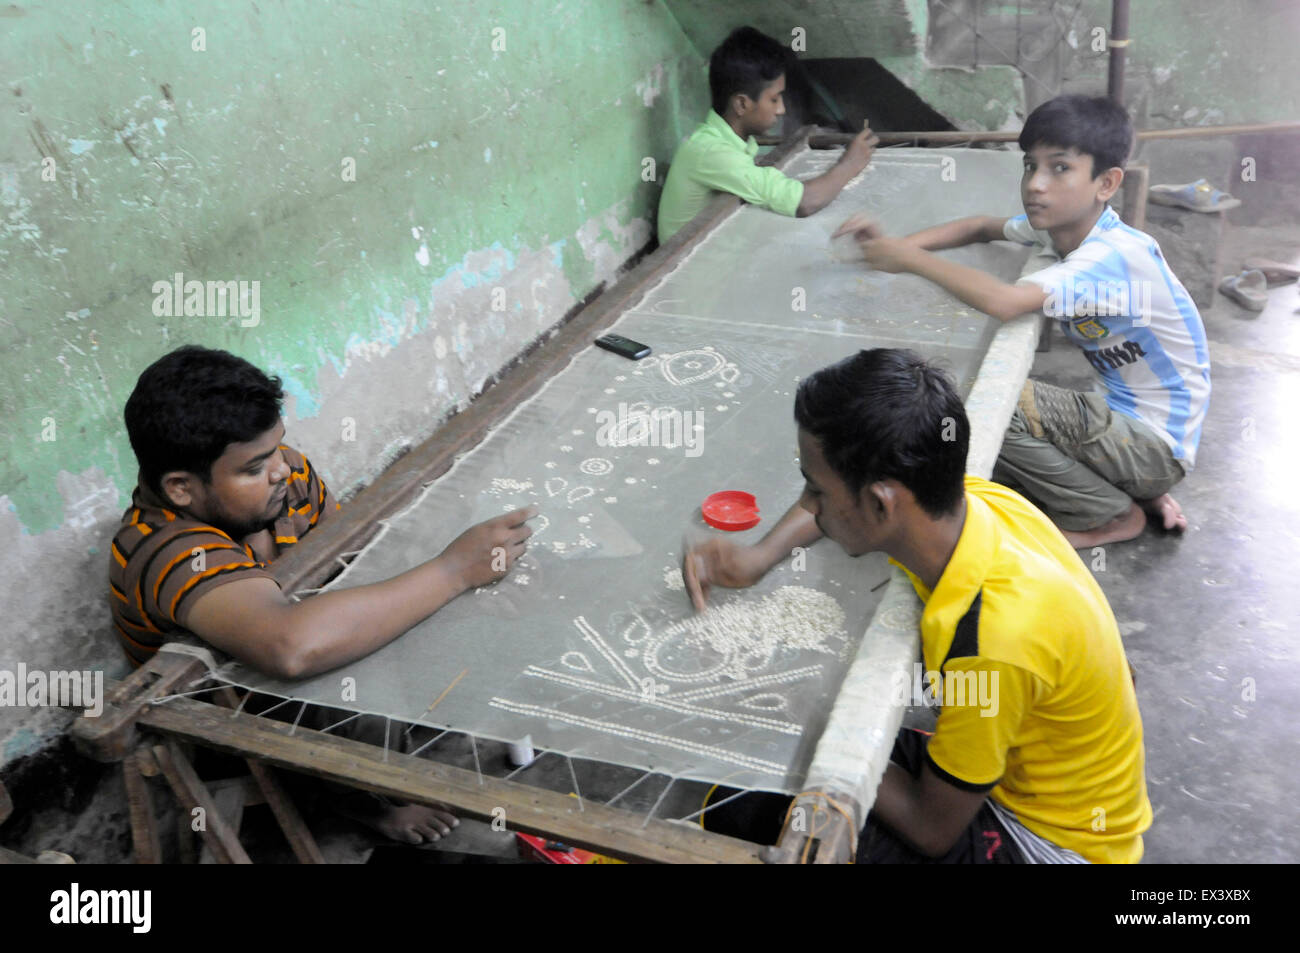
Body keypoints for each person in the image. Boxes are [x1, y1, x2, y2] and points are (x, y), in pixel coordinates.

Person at [683, 348, 1152, 863]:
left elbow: (931, 830)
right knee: (745, 792)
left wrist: (814, 715)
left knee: (768, 817)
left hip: (1047, 844)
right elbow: (841, 490)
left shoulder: (991, 640)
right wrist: (759, 557)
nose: (810, 506)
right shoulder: (986, 504)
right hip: (1040, 781)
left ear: (882, 503)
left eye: (816, 491)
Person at [110, 344, 535, 844]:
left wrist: (464, 580)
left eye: (276, 450)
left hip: (300, 657)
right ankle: (363, 803)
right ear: (181, 488)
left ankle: (394, 746)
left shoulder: (282, 481)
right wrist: (454, 571)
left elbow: (357, 563)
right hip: (240, 710)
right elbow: (292, 647)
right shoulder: (168, 549)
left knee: (451, 609)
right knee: (353, 673)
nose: (281, 471)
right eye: (252, 468)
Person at [835, 94, 1210, 547]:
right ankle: (1130, 488)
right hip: (1142, 436)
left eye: (1059, 168)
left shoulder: (1111, 256)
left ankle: (1104, 512)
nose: (1036, 184)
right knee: (989, 416)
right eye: (1030, 166)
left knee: (989, 400)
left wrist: (908, 260)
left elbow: (1006, 302)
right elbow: (976, 226)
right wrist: (894, 249)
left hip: (1152, 446)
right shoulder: (1060, 228)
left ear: (1107, 183)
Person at [656, 26, 878, 242]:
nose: (781, 109)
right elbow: (805, 202)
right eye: (774, 99)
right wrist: (851, 163)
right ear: (742, 104)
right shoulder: (711, 153)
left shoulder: (725, 142)